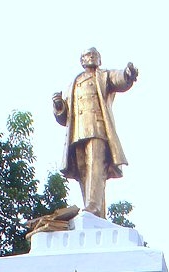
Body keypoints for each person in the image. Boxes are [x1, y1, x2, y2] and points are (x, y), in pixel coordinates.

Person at [53, 47, 138, 219]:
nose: (91, 57)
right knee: (83, 171)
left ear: (99, 60)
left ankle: (93, 205)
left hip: (98, 129)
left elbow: (119, 79)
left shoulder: (104, 76)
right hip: (77, 132)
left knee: (96, 166)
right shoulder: (73, 84)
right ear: (82, 60)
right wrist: (58, 105)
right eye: (87, 55)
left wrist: (127, 74)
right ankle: (94, 210)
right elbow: (64, 117)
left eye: (95, 55)